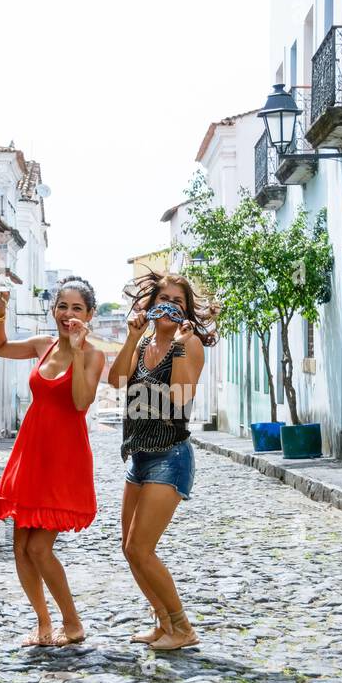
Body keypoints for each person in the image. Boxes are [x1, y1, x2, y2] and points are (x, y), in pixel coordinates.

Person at [0, 276, 103, 647]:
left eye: (77, 308)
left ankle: (72, 623)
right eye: (63, 307)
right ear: (53, 310)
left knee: (40, 547)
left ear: (89, 315)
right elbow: (0, 348)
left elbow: (81, 402)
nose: (68, 315)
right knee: (20, 545)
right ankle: (42, 624)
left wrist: (78, 349)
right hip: (31, 451)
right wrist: (1, 310)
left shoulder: (94, 355)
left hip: (64, 458)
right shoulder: (42, 345)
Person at [109, 270, 218, 650]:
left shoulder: (191, 346)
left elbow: (179, 396)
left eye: (177, 301)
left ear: (186, 310)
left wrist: (183, 346)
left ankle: (183, 628)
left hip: (170, 456)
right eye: (162, 300)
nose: (168, 305)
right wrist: (132, 337)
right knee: (128, 547)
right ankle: (162, 622)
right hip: (137, 455)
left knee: (141, 548)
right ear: (151, 305)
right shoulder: (142, 344)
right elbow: (115, 379)